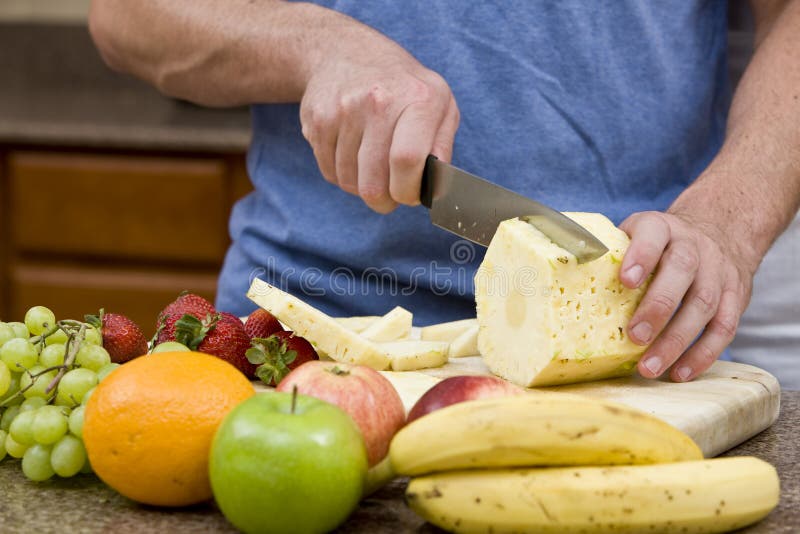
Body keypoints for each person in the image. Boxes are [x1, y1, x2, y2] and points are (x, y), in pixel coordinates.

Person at [87, 1, 800, 384]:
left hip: (624, 339)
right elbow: (128, 15)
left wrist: (724, 224)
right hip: (306, 342)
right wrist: (320, 45)